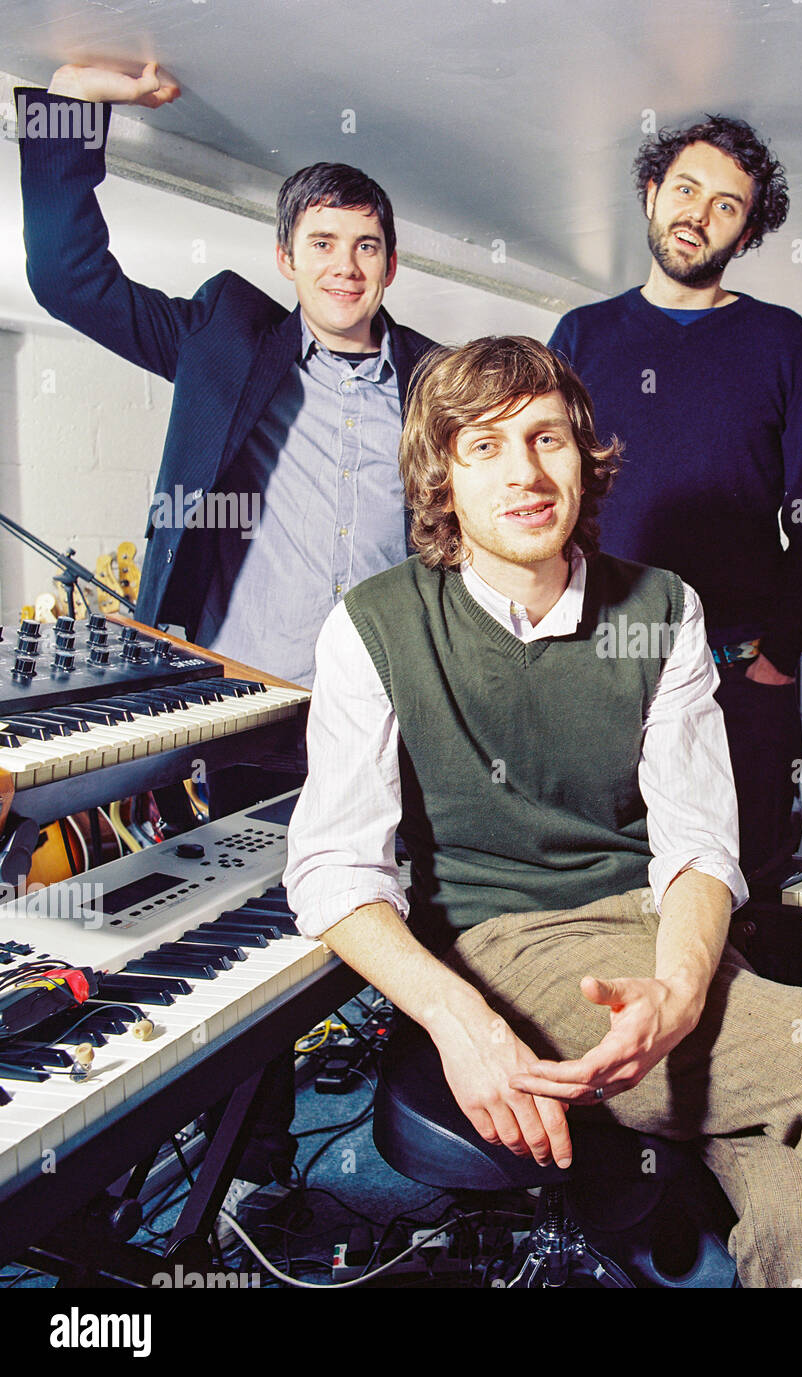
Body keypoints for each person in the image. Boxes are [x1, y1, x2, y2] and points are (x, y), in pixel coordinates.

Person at [284, 335, 802, 1288]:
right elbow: (333, 872)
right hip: (512, 951)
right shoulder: (372, 624)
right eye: (483, 447)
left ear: (584, 454)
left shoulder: (664, 608)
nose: (525, 472)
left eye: (547, 439)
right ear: (441, 480)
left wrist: (681, 989)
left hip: (664, 939)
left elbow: (700, 844)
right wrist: (462, 1023)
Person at [17, 60, 435, 1197]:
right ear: (288, 255)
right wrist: (64, 100)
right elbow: (64, 279)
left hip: (387, 715)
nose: (346, 268)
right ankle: (245, 1182)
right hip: (245, 704)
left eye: (366, 246)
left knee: (389, 925)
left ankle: (408, 1137)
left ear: (388, 262)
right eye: (323, 244)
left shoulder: (439, 385)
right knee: (244, 946)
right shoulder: (224, 339)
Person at [548, 115, 802, 876]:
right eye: (685, 189)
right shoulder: (581, 337)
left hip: (739, 683)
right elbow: (548, 498)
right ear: (650, 194)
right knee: (605, 886)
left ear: (745, 235)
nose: (698, 214)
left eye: (726, 205)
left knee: (745, 893)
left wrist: (781, 655)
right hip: (597, 672)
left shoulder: (783, 342)